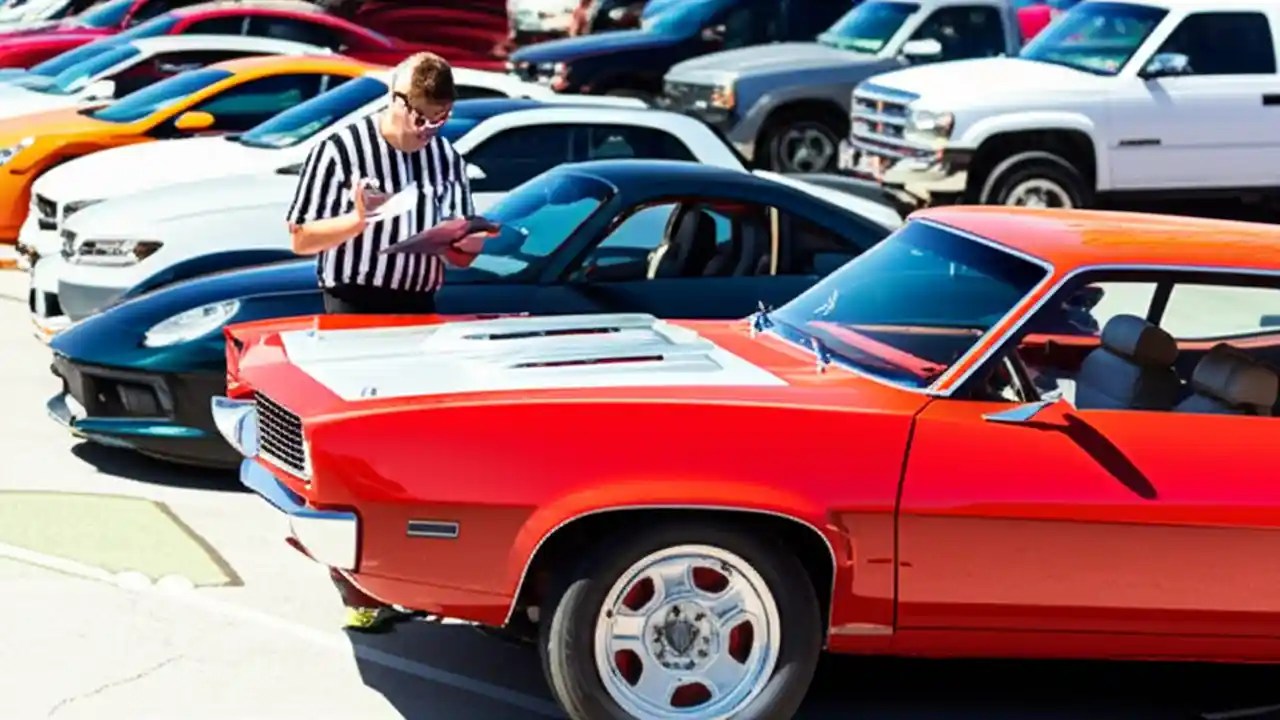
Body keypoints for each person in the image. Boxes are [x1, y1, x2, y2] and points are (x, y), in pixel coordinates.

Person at [285, 51, 481, 632]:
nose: (428, 130)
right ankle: (356, 588)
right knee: (355, 452)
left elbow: (462, 253)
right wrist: (356, 221)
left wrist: (465, 244)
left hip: (418, 310)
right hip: (354, 305)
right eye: (420, 117)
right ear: (395, 100)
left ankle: (404, 574)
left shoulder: (446, 157)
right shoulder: (340, 149)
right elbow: (300, 237)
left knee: (412, 451)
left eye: (440, 118)